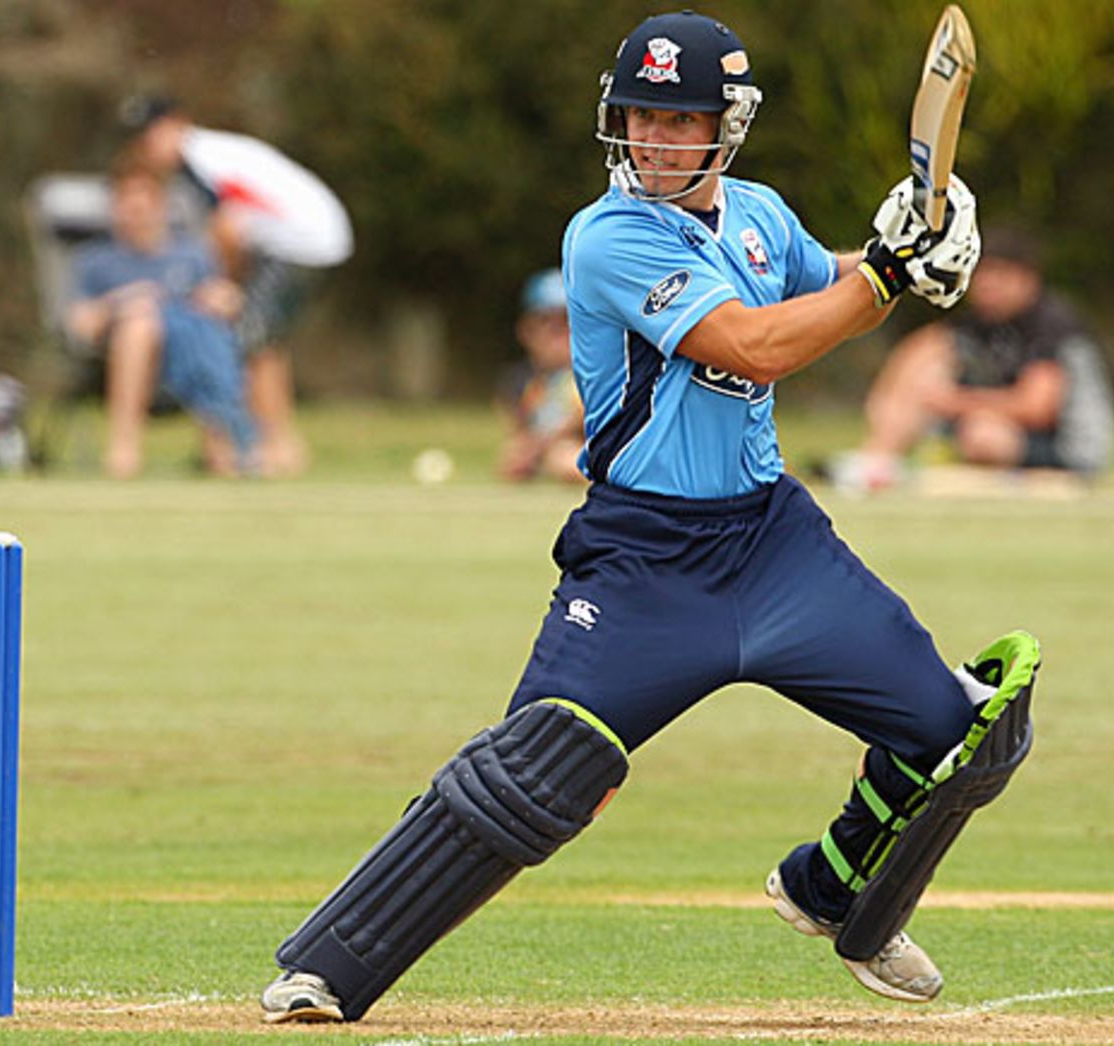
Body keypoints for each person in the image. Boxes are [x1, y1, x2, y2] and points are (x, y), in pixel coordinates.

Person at [258, 12, 1038, 1024]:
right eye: (640, 116)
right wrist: (887, 278)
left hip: (773, 542)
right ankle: (328, 964)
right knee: (540, 766)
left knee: (959, 733)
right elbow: (754, 343)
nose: (655, 139)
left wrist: (917, 253)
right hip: (643, 561)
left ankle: (834, 886)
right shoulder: (609, 236)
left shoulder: (755, 213)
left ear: (729, 125)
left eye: (681, 120)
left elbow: (819, 283)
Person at [119, 94, 354, 477]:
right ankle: (271, 447)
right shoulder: (211, 153)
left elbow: (229, 228)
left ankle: (257, 447)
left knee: (242, 338)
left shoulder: (202, 161)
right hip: (297, 242)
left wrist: (223, 284)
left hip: (300, 243)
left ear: (176, 125)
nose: (146, 149)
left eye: (150, 137)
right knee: (261, 340)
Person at [834, 227, 1113, 491]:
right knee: (928, 355)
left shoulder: (1051, 323)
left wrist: (953, 402)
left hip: (1066, 447)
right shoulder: (980, 322)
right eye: (983, 275)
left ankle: (884, 467)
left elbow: (1037, 407)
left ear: (1027, 279)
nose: (989, 286)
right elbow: (924, 349)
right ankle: (876, 458)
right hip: (991, 424)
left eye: (1000, 276)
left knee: (983, 435)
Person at [67, 160, 257, 478]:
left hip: (190, 349)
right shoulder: (95, 260)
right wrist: (122, 302)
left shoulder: (192, 254)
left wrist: (221, 298)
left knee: (209, 332)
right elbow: (80, 324)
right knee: (141, 324)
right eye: (126, 203)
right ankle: (124, 451)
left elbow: (229, 300)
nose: (135, 212)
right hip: (124, 354)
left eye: (143, 203)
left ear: (160, 206)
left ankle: (224, 449)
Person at [496, 268, 585, 484]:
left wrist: (540, 445)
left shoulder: (601, 374)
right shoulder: (519, 382)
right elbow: (521, 434)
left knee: (567, 458)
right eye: (549, 324)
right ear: (527, 330)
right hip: (555, 453)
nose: (561, 334)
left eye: (568, 322)